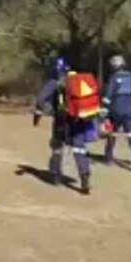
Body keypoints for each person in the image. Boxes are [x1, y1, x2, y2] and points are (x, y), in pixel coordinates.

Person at [33, 58, 93, 195]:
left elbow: (40, 99)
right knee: (79, 149)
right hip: (79, 120)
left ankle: (55, 176)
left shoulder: (55, 82)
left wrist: (45, 112)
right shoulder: (78, 81)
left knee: (57, 147)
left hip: (62, 120)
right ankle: (85, 177)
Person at [102, 54, 131, 174]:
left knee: (112, 134)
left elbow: (108, 96)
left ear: (114, 66)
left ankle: (108, 157)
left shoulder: (113, 78)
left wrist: (104, 110)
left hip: (116, 111)